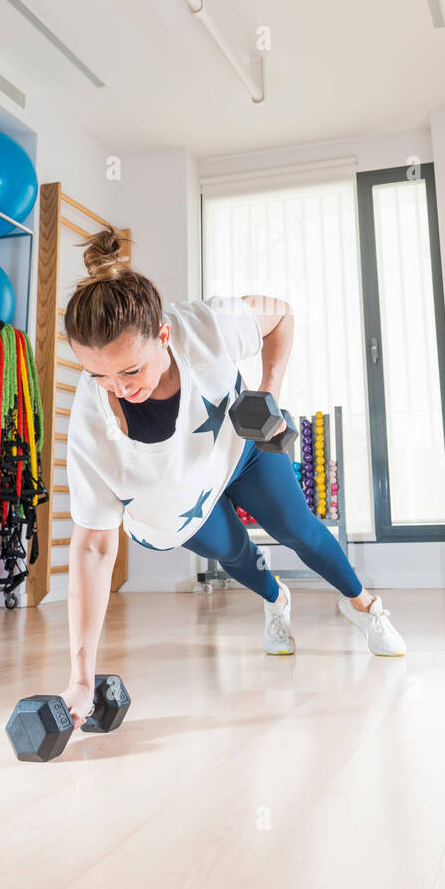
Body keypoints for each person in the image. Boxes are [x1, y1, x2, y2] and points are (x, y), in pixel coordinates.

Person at [60, 228, 406, 727]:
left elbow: (281, 316)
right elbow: (92, 548)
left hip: (238, 447)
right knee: (234, 550)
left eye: (130, 371)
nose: (118, 388)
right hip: (174, 506)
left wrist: (268, 392)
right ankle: (275, 600)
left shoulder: (206, 325)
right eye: (99, 375)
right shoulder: (92, 428)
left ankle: (364, 606)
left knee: (298, 528)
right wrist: (80, 677)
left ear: (163, 335)